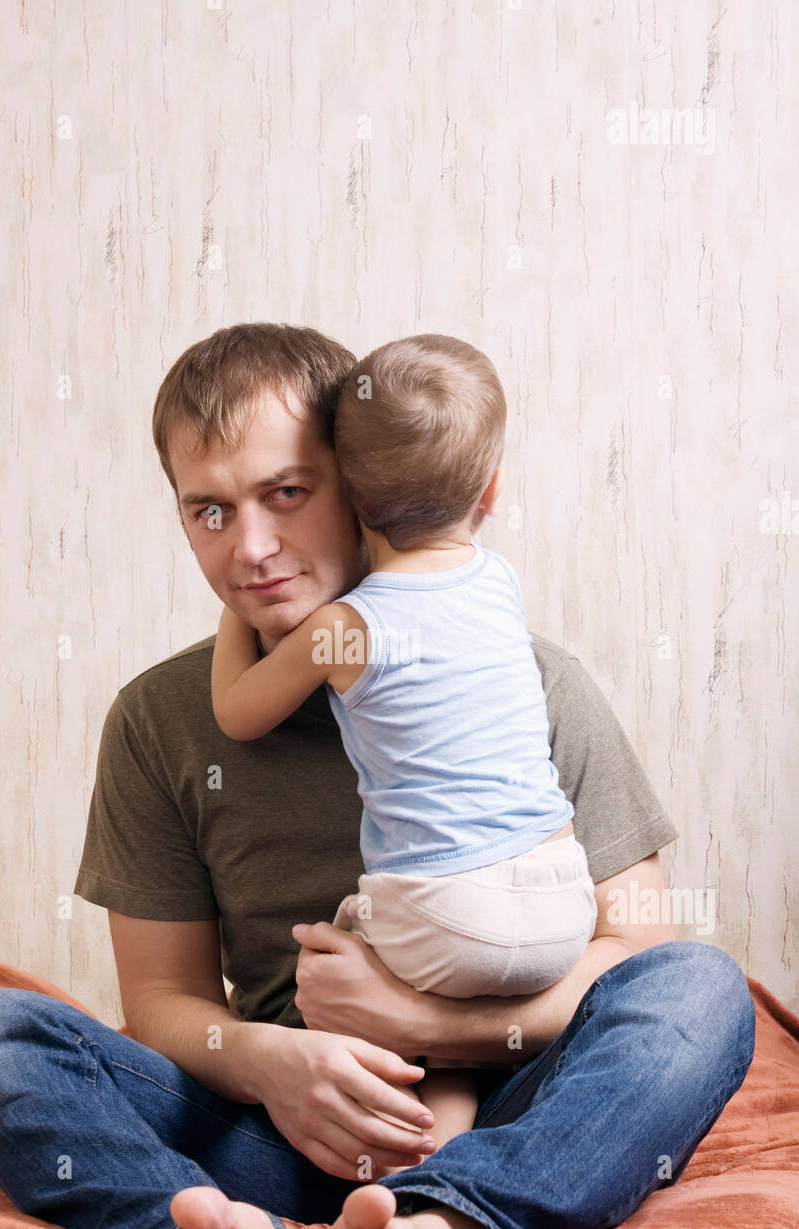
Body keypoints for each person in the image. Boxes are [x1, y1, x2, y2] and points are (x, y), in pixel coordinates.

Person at [0, 323, 755, 1229]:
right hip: (272, 1135)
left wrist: (432, 1028)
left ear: (357, 484)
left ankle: (453, 1221)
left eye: (286, 493)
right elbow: (161, 1002)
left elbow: (635, 958)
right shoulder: (158, 718)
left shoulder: (527, 678)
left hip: (514, 1116)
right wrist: (269, 1064)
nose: (252, 549)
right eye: (209, 511)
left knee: (700, 993)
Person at [210, 333, 598, 1165]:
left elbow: (239, 713)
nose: (253, 544)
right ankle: (442, 1172)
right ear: (491, 492)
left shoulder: (345, 631)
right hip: (561, 899)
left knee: (356, 946)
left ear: (346, 496)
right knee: (451, 995)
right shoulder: (501, 585)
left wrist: (238, 603)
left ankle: (387, 1150)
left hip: (442, 917)